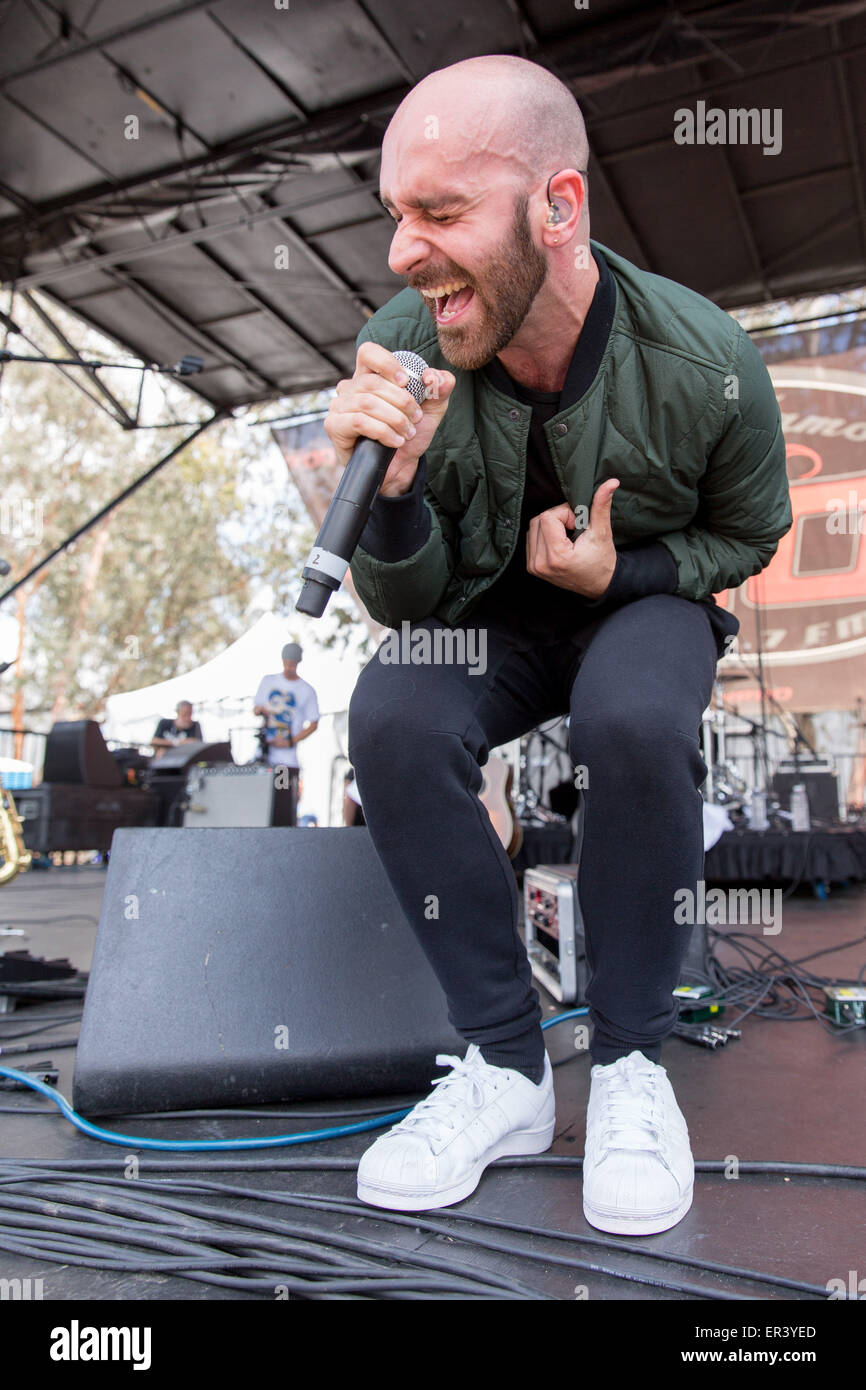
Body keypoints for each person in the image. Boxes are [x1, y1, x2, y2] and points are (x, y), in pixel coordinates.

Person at [326, 55, 792, 1234]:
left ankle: (632, 1062)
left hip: (639, 600)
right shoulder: (407, 335)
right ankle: (503, 1070)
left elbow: (747, 533)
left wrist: (625, 570)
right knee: (390, 714)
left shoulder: (708, 364)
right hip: (491, 615)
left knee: (629, 719)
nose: (402, 253)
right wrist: (390, 494)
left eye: (439, 212)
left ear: (558, 207)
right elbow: (409, 604)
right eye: (395, 216)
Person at [253, 645, 319, 822]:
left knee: (282, 797)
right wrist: (261, 711)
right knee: (258, 797)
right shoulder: (268, 681)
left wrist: (291, 741)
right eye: (287, 663)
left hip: (286, 757)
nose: (290, 667)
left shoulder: (307, 690)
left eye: (293, 664)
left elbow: (314, 723)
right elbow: (256, 708)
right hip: (264, 751)